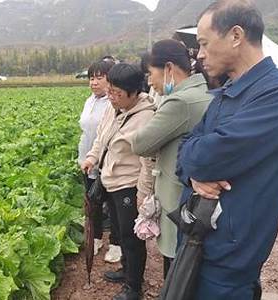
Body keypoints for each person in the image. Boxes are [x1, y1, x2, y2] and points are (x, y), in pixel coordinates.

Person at [176, 1, 278, 299]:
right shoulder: (226, 92)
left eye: (203, 43)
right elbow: (184, 154)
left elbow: (205, 155)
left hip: (228, 264)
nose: (199, 55)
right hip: (196, 245)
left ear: (236, 36)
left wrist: (195, 161)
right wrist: (193, 177)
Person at [131, 39, 211, 278]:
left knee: (176, 270)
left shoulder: (179, 102)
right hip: (198, 201)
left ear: (168, 68)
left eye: (150, 73)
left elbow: (141, 144)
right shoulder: (204, 92)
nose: (149, 81)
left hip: (177, 200)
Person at [81, 63, 155, 300]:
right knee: (120, 232)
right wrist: (92, 158)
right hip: (110, 180)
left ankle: (134, 287)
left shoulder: (147, 118)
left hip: (129, 185)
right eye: (110, 91)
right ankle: (126, 270)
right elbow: (101, 139)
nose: (111, 97)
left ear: (134, 93)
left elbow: (148, 161)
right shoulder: (113, 109)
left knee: (132, 238)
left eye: (117, 93)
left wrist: (143, 194)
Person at [78, 60, 122, 262]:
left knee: (113, 204)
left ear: (110, 79)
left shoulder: (114, 103)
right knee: (92, 202)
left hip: (108, 162)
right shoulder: (90, 101)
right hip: (88, 160)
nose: (94, 82)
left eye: (99, 78)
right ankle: (95, 238)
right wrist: (84, 157)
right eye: (91, 78)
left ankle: (116, 243)